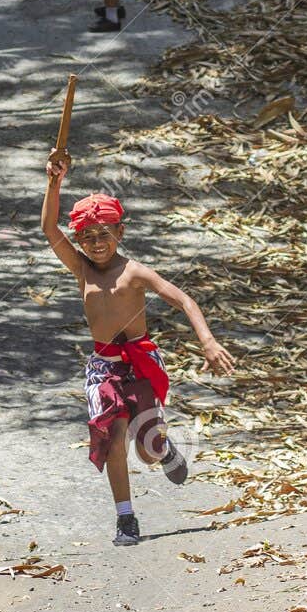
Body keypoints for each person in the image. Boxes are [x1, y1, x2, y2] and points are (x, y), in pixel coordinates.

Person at [39, 172, 235, 547]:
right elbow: (49, 228)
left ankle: (160, 448)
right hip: (104, 368)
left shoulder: (135, 272)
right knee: (113, 435)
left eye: (105, 233)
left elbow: (183, 300)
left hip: (141, 363)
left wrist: (207, 342)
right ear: (79, 239)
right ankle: (125, 517)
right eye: (88, 236)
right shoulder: (81, 270)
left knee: (146, 450)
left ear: (121, 232)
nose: (97, 243)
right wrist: (54, 181)